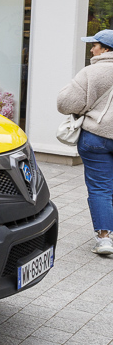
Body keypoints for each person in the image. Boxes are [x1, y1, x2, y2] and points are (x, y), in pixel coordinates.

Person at [58, 28, 113, 256]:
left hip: (96, 137)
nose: (92, 50)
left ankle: (104, 239)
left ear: (106, 49)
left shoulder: (91, 72)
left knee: (100, 187)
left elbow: (65, 103)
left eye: (95, 45)